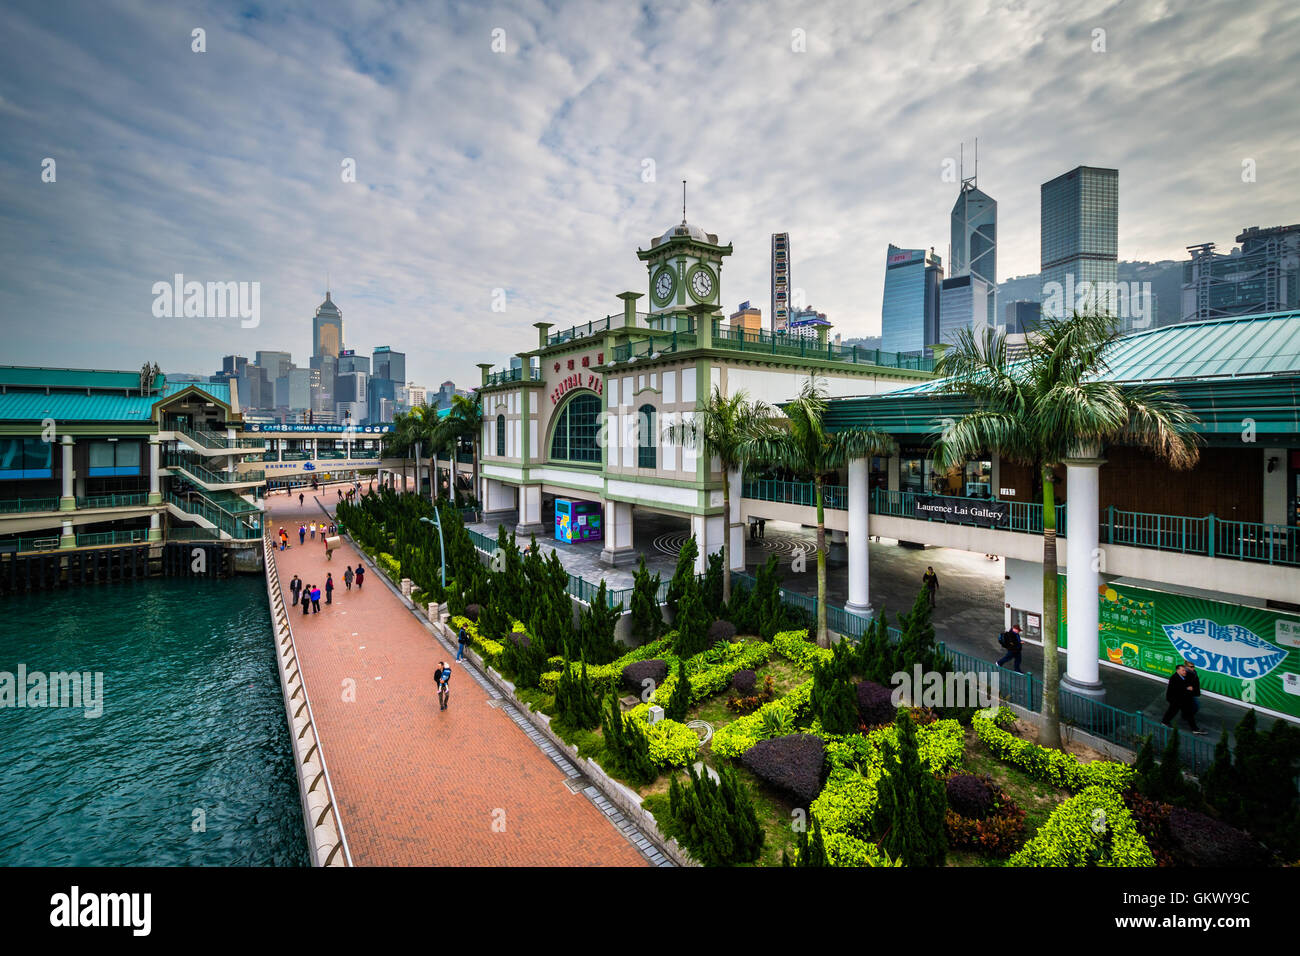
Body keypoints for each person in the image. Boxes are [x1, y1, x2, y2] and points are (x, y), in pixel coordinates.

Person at [1161, 664, 1205, 734]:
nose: (1185, 672)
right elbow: (1177, 689)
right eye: (1183, 670)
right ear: (1178, 670)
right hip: (1176, 699)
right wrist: (1187, 688)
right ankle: (1165, 722)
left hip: (1182, 699)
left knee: (1179, 712)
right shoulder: (1174, 678)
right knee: (1173, 711)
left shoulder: (1184, 677)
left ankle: (1194, 728)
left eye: (1185, 670)